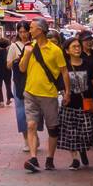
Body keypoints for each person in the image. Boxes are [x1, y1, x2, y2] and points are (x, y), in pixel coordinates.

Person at [20, 18, 69, 173]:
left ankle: (50, 158)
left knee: (52, 127)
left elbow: (64, 71)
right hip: (30, 92)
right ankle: (34, 158)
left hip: (48, 94)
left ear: (40, 30)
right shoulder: (30, 47)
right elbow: (22, 68)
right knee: (31, 125)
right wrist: (27, 54)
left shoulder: (55, 50)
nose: (29, 31)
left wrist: (67, 91)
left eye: (32, 28)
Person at [58, 36, 93, 170]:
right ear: (67, 51)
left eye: (78, 46)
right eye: (74, 47)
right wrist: (64, 93)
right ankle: (75, 159)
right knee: (71, 132)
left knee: (88, 131)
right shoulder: (64, 66)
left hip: (86, 103)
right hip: (70, 103)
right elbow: (59, 82)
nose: (77, 49)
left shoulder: (88, 63)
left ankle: (82, 149)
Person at [7, 22, 32, 153]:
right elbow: (8, 65)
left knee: (34, 111)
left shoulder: (34, 45)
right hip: (19, 82)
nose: (23, 34)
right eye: (20, 32)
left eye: (25, 31)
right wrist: (16, 60)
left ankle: (34, 135)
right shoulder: (13, 46)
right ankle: (27, 140)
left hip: (34, 81)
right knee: (21, 111)